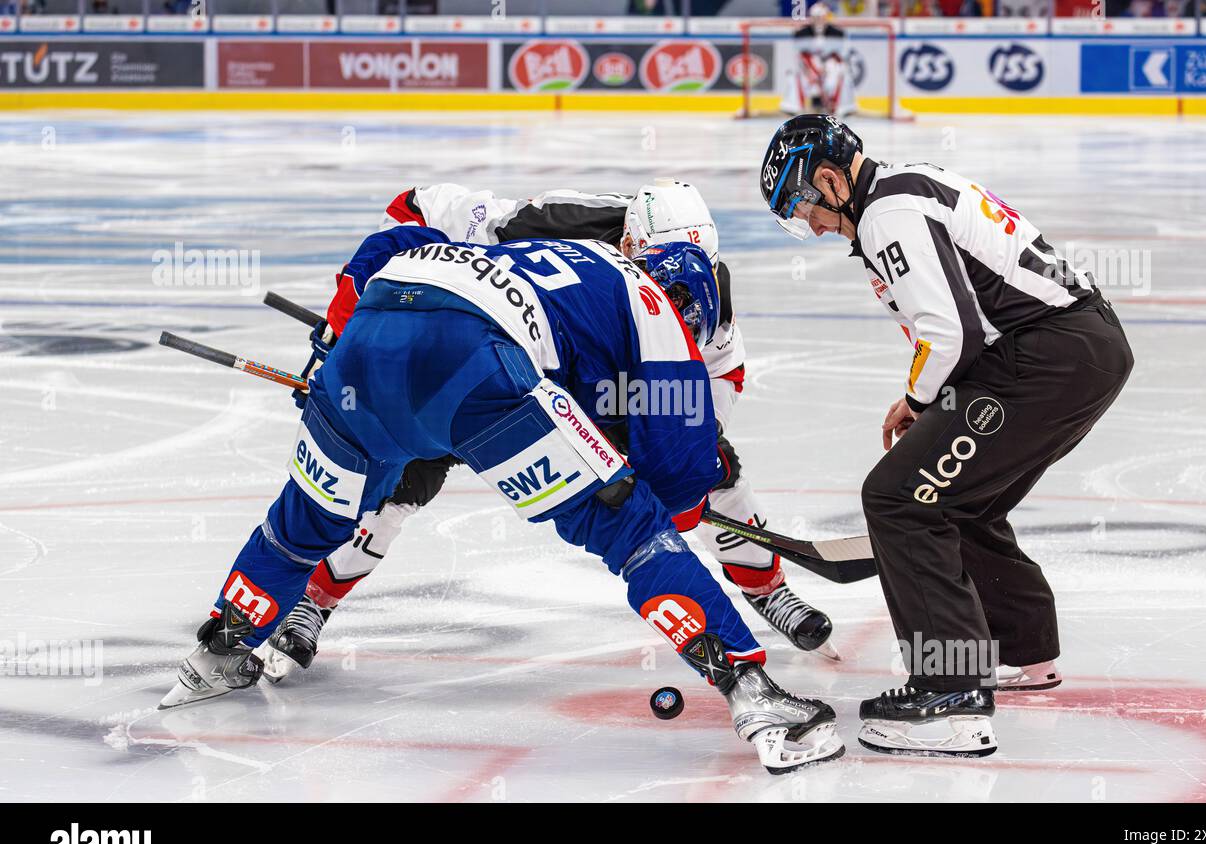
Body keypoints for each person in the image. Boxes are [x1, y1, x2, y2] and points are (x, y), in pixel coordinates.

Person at [159, 232, 846, 775]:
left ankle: (221, 648)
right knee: (631, 527)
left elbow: (398, 236)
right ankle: (755, 697)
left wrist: (341, 340)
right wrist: (664, 466)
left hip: (368, 336)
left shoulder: (560, 254)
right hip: (474, 364)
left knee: (302, 522)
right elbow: (678, 482)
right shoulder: (656, 305)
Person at [265, 180, 838, 684]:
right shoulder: (551, 223)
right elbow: (417, 210)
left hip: (608, 375)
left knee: (715, 466)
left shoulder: (705, 295)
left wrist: (652, 455)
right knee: (404, 471)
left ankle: (766, 588)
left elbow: (710, 395)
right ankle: (314, 601)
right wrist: (341, 340)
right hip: (487, 357)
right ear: (631, 242)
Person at [759, 115, 1134, 757]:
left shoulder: (885, 213)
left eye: (803, 206)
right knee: (962, 500)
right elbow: (961, 323)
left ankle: (951, 692)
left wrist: (917, 397)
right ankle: (1023, 651)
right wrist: (927, 401)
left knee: (900, 501)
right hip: (1081, 349)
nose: (812, 225)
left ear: (828, 177)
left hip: (1046, 355)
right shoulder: (905, 188)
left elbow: (952, 329)